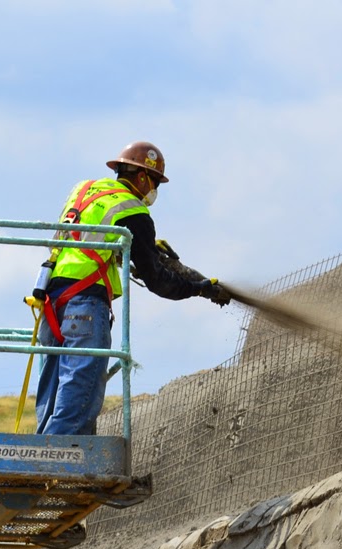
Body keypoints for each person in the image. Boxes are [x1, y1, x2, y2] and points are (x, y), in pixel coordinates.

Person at [35, 141, 229, 436]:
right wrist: (197, 288)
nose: (155, 191)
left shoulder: (85, 189)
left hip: (52, 300)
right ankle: (57, 460)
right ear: (141, 177)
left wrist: (134, 249)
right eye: (155, 182)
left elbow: (87, 240)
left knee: (51, 398)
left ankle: (38, 452)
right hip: (85, 306)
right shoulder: (134, 210)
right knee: (77, 401)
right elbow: (158, 280)